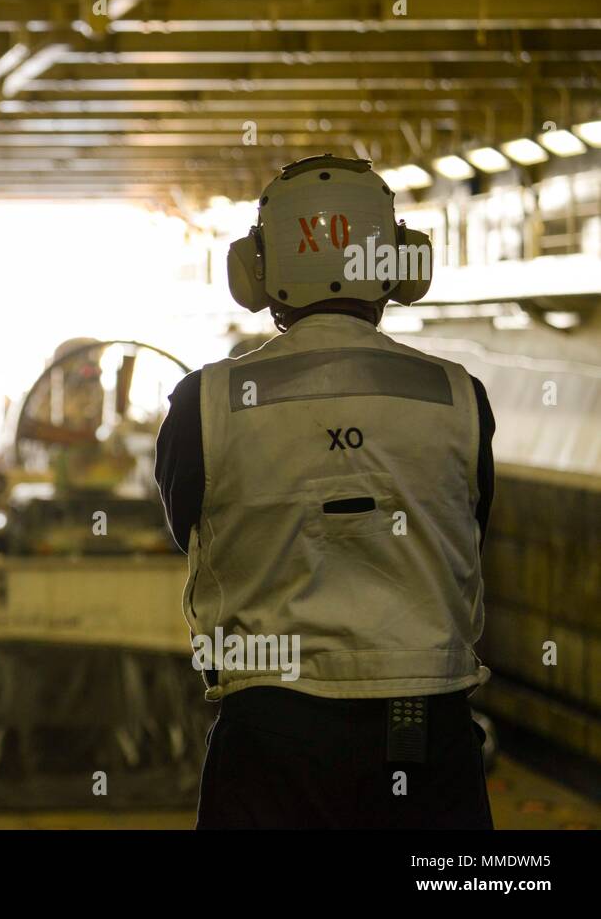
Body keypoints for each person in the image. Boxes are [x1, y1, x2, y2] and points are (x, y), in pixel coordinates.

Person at [156, 155, 495, 828]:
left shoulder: (206, 402)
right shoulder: (459, 396)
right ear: (399, 264)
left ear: (256, 272)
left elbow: (183, 527)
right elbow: (474, 523)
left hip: (270, 732)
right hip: (426, 731)